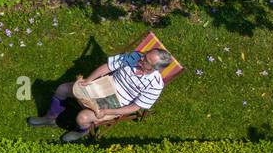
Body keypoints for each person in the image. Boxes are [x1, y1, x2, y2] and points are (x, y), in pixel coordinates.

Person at [27, 47, 172, 143]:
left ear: (154, 69)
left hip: (118, 103)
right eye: (144, 55)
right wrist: (89, 80)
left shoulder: (155, 85)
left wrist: (109, 112)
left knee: (82, 117)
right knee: (62, 89)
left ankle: (80, 132)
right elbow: (108, 67)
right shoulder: (134, 56)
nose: (141, 59)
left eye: (145, 61)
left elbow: (135, 107)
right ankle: (50, 118)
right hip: (104, 85)